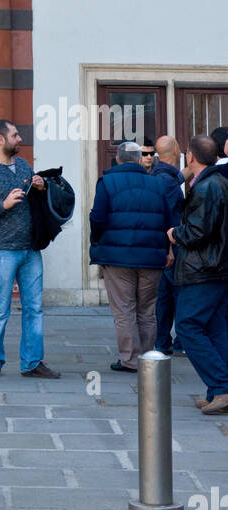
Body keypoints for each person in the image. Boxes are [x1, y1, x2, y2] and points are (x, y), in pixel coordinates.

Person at [0, 120, 58, 379]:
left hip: (31, 250)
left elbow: (33, 199)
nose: (20, 139)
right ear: (0, 139)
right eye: (15, 135)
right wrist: (3, 205)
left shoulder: (22, 165)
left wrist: (40, 187)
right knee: (0, 309)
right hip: (2, 252)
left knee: (34, 308)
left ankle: (32, 363)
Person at [89, 140, 172, 373]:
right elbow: (168, 221)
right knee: (147, 310)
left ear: (117, 158)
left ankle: (130, 360)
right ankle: (147, 357)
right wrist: (166, 250)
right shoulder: (157, 184)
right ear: (138, 159)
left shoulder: (107, 182)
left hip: (117, 257)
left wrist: (98, 240)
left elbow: (97, 217)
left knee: (124, 309)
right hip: (152, 258)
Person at [170, 134, 228, 415]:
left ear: (190, 157)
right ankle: (218, 391)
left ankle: (220, 386)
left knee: (188, 327)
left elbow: (197, 232)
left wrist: (174, 234)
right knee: (216, 330)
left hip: (203, 269)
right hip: (215, 268)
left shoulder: (207, 187)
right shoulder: (215, 182)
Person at [152, 135, 186, 355]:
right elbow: (171, 217)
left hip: (159, 246)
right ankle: (179, 340)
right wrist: (171, 249)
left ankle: (162, 341)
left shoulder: (157, 176)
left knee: (164, 296)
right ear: (176, 151)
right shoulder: (168, 181)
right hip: (172, 247)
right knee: (177, 293)